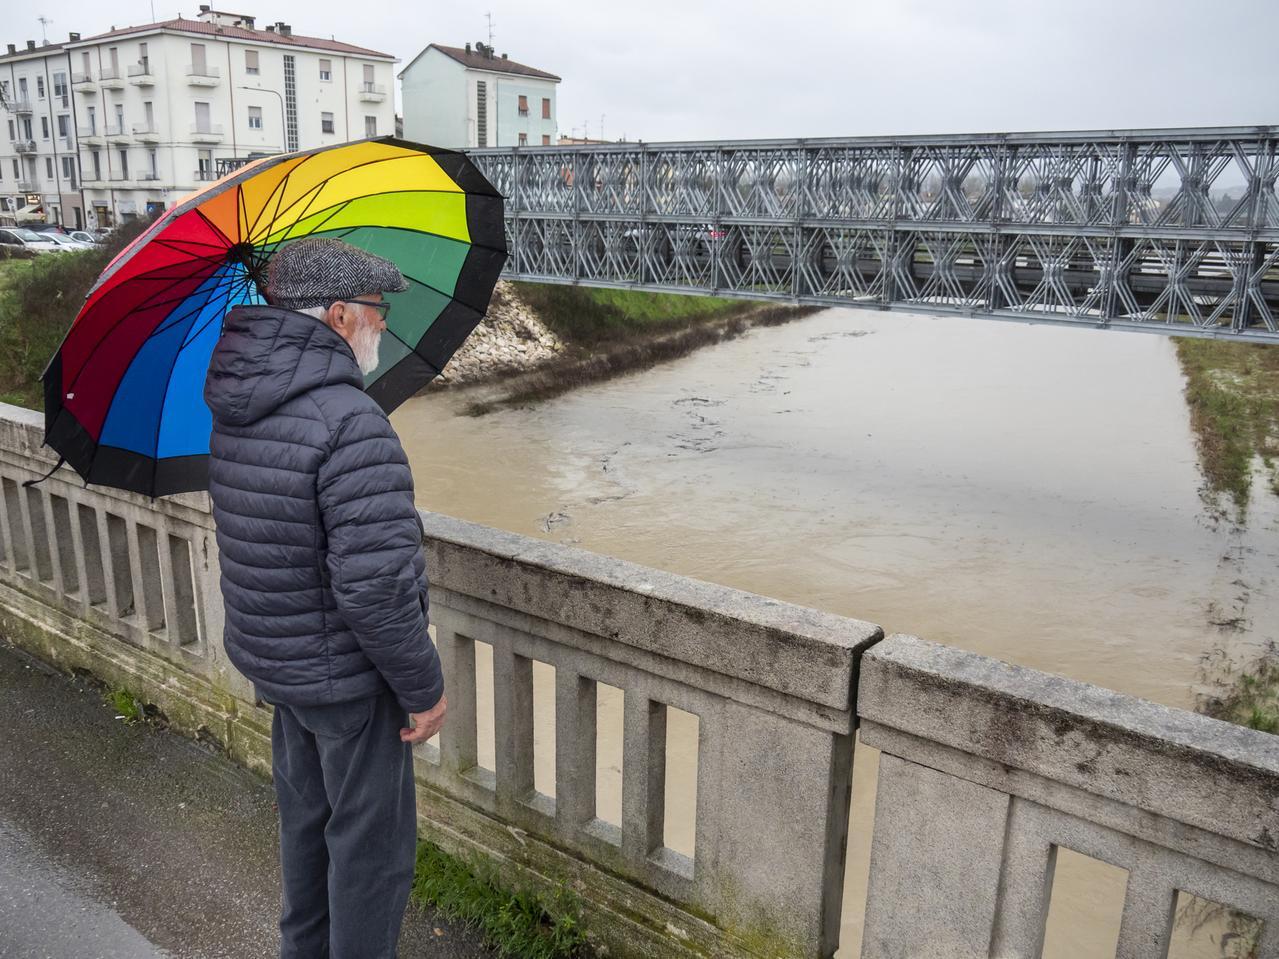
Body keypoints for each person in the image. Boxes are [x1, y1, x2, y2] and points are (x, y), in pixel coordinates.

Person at [203, 237, 447, 959]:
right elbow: (374, 588)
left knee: (305, 839)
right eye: (376, 311)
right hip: (347, 680)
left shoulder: (237, 396)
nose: (382, 326)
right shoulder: (349, 419)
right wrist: (424, 687)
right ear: (339, 315)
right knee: (369, 860)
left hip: (280, 666)